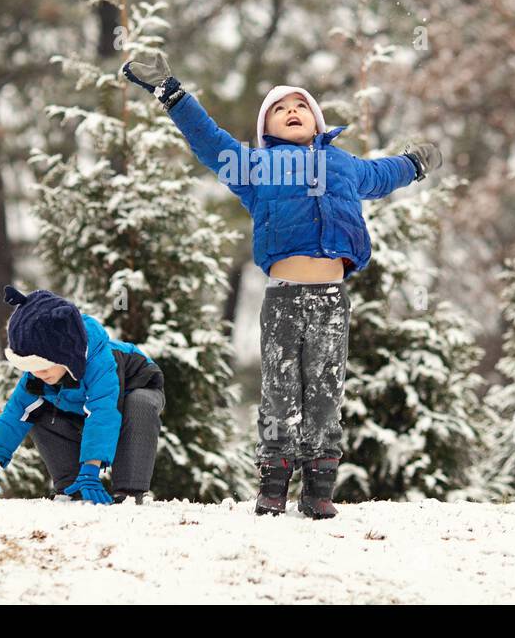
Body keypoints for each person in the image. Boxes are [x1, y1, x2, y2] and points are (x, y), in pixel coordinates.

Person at [122, 53, 441, 518]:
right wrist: (171, 90)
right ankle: (273, 483)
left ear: (317, 120)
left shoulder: (344, 165)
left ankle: (319, 487)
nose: (292, 110)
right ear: (267, 128)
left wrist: (414, 164)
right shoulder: (256, 169)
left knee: (326, 390)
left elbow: (383, 173)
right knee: (282, 388)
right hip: (285, 298)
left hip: (332, 300)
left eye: (301, 105)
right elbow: (208, 141)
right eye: (280, 107)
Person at [0, 285, 165, 504]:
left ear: (66, 356)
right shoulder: (37, 375)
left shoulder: (99, 363)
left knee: (138, 404)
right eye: (31, 367)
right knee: (36, 412)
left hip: (134, 389)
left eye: (44, 367)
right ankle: (72, 486)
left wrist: (91, 469)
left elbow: (103, 414)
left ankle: (129, 492)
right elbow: (15, 414)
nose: (38, 373)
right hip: (79, 404)